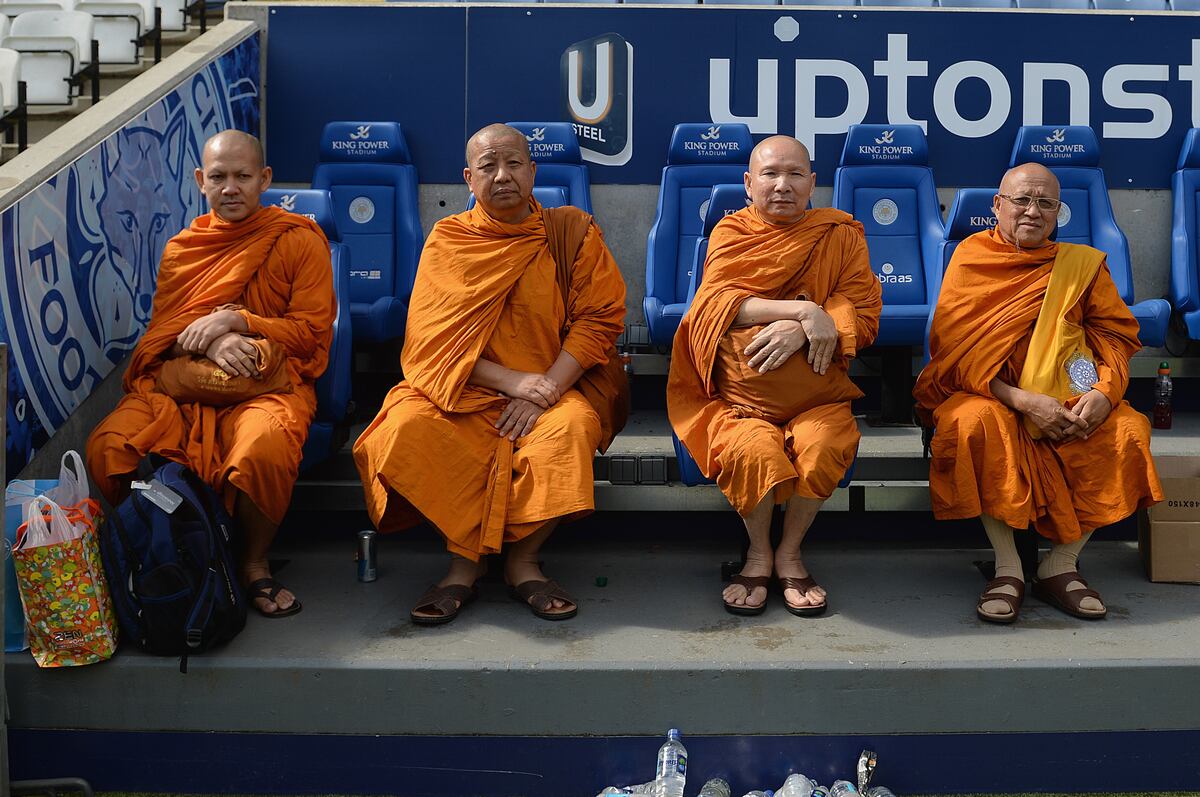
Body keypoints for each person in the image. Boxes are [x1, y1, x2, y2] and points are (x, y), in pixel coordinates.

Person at [353, 124, 626, 625]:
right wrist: (511, 383)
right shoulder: (449, 239)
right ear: (468, 179)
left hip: (552, 385)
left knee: (573, 429)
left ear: (533, 172)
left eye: (514, 164)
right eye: (488, 166)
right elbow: (431, 341)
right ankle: (464, 564)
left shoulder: (570, 233)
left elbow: (599, 319)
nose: (503, 176)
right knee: (402, 429)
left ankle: (523, 563)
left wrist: (542, 390)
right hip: (463, 385)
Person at [87, 130, 336, 618]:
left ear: (264, 179)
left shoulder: (299, 240)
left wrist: (238, 320)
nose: (231, 188)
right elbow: (162, 337)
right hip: (186, 383)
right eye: (218, 177)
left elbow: (309, 335)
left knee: (261, 449)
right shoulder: (184, 249)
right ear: (201, 181)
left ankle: (252, 563)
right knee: (107, 446)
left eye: (243, 177)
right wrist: (216, 340)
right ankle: (155, 547)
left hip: (266, 387)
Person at [914, 162, 1162, 624]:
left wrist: (1104, 395)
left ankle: (1059, 565)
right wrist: (1024, 401)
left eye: (1046, 203)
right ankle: (1008, 568)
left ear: (1058, 212)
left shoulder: (1080, 266)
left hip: (1069, 395)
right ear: (997, 206)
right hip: (994, 394)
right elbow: (954, 357)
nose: (1033, 211)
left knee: (1128, 427)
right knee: (973, 421)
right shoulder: (972, 258)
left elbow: (1114, 340)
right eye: (1021, 200)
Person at [667, 135, 881, 617]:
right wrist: (804, 313)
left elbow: (864, 315)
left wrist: (806, 330)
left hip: (818, 398)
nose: (782, 185)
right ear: (748, 183)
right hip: (739, 403)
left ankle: (790, 551)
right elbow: (715, 303)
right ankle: (759, 551)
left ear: (812, 184)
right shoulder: (731, 231)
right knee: (753, 450)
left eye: (794, 175)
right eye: (770, 174)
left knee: (824, 446)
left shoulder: (841, 235)